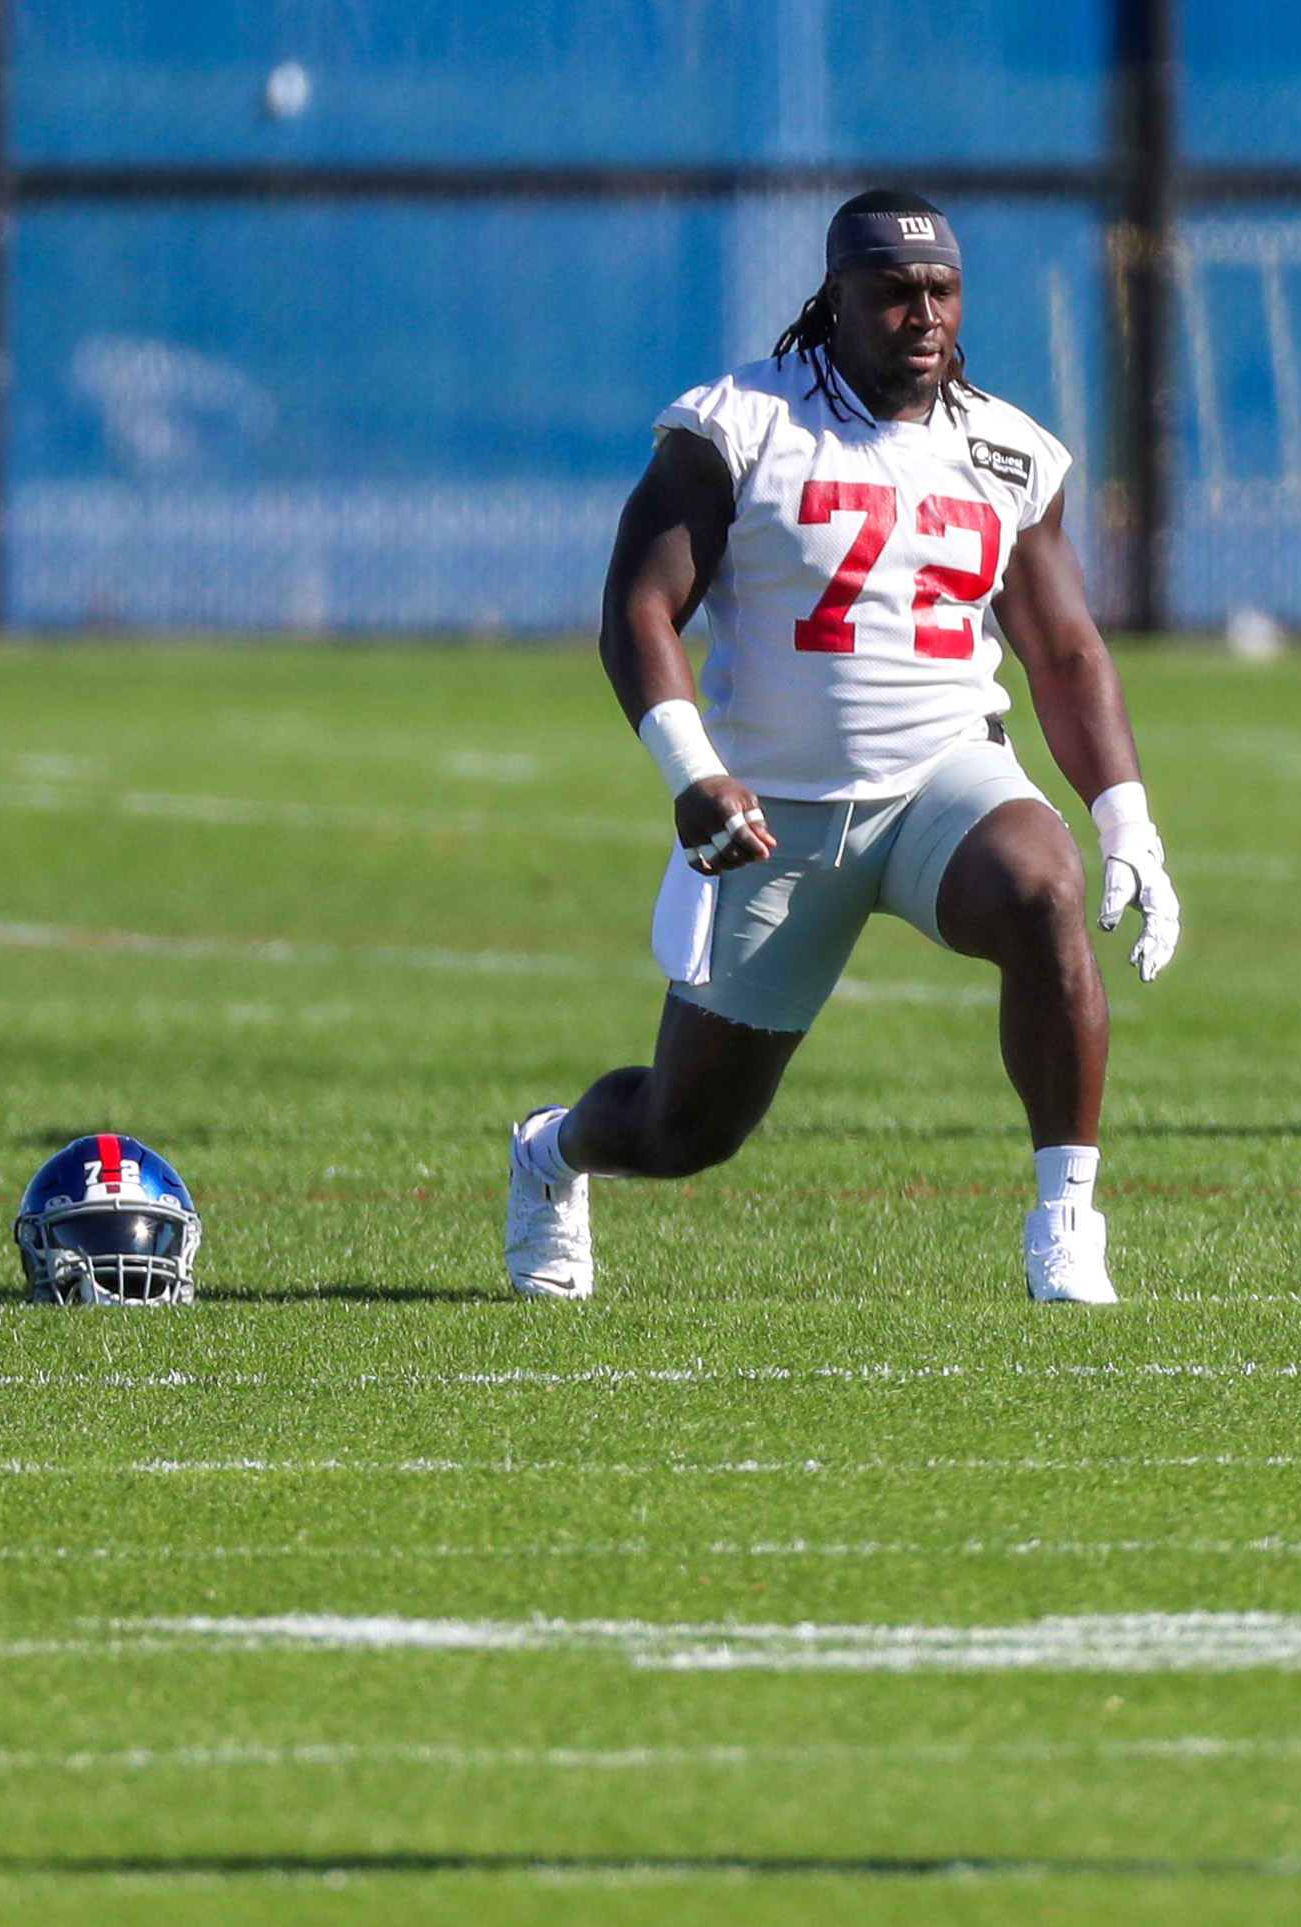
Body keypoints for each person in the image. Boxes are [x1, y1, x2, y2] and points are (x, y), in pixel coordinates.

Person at [504, 189, 1180, 1308]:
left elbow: (1061, 647)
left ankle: (1067, 1221)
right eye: (895, 293)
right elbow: (638, 609)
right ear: (835, 301)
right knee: (688, 1129)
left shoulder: (1009, 450)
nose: (924, 315)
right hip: (772, 811)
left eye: (942, 291)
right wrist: (692, 771)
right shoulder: (738, 426)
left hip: (945, 783)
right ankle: (553, 1150)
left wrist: (1126, 817)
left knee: (1042, 888)